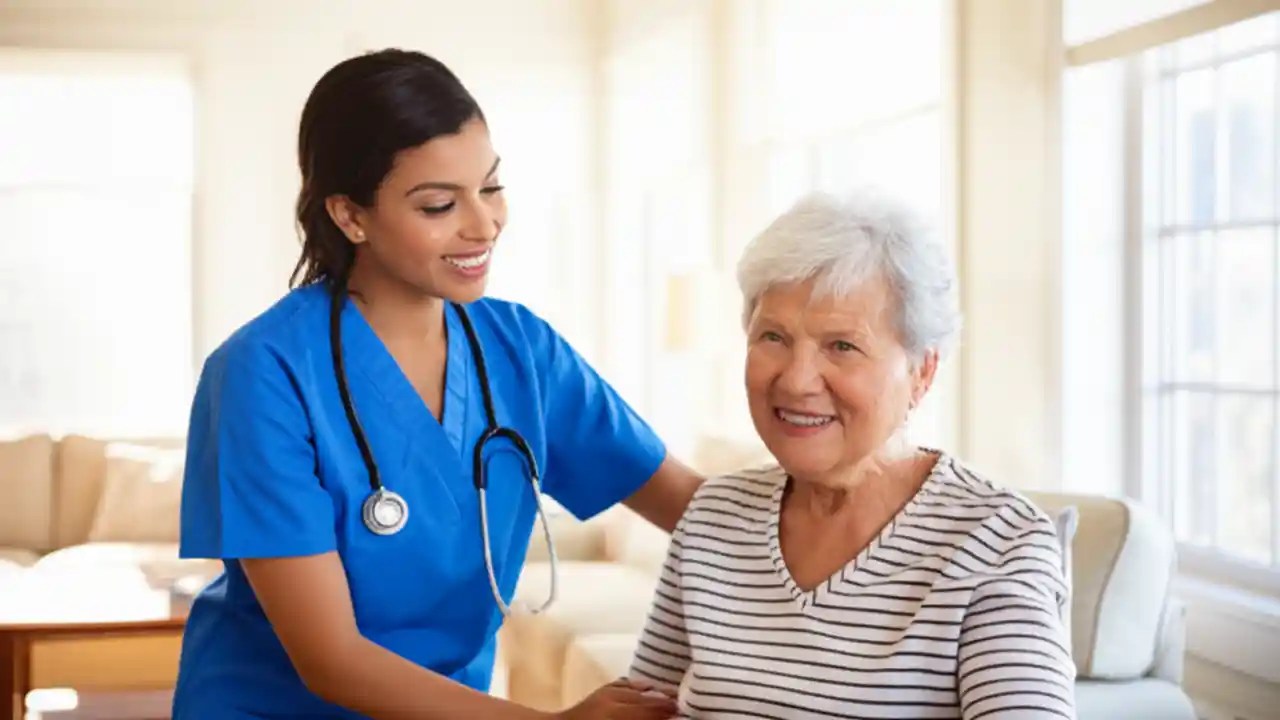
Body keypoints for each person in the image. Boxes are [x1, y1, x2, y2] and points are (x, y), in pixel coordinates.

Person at [173, 48, 701, 719]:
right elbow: (330, 660)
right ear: (349, 215)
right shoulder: (263, 373)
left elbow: (693, 507)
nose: (483, 225)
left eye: (491, 187)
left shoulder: (523, 352)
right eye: (438, 204)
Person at [629, 191, 1076, 718]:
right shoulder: (712, 516)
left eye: (842, 345)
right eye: (773, 336)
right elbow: (640, 709)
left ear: (922, 372)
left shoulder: (998, 541)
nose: (796, 380)